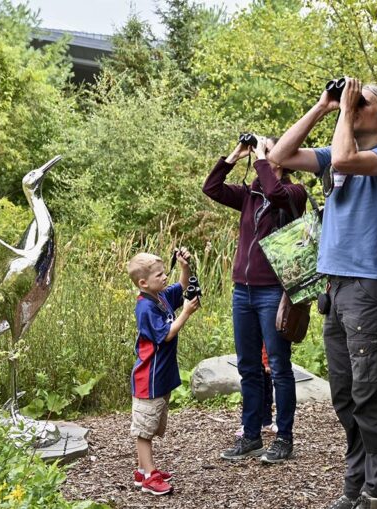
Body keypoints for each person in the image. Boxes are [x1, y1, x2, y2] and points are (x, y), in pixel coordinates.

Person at [270, 77, 377, 509]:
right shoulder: (338, 152)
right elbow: (279, 155)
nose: (353, 103)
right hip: (335, 285)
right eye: (353, 98)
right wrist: (323, 106)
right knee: (345, 394)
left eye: (362, 101)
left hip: (368, 286)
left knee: (370, 391)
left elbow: (346, 160)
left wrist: (344, 113)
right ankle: (356, 485)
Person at [202, 135, 306, 463]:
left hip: (273, 291)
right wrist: (235, 154)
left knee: (278, 366)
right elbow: (212, 188)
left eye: (272, 150)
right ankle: (251, 436)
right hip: (242, 290)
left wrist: (263, 158)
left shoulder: (294, 192)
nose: (264, 154)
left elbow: (275, 192)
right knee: (248, 366)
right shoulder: (250, 195)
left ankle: (284, 438)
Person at [127, 250, 201, 495]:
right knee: (144, 431)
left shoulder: (160, 296)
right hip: (148, 379)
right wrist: (186, 313)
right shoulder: (146, 308)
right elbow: (167, 334)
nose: (165, 276)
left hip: (160, 378)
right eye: (159, 275)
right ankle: (149, 476)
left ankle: (141, 471)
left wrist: (184, 266)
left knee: (152, 425)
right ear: (143, 283)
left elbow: (181, 285)